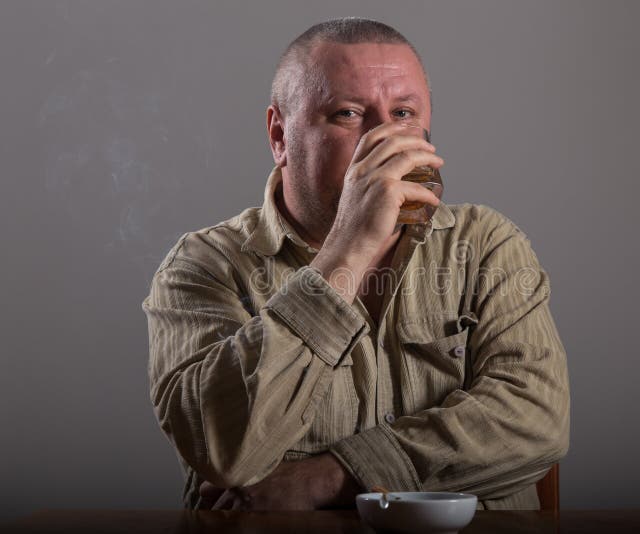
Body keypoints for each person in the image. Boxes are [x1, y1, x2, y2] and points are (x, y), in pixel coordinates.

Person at [142, 17, 570, 511]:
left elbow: (534, 420)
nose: (384, 141)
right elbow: (223, 451)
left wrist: (333, 475)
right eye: (347, 114)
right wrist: (349, 247)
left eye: (404, 113)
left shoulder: (486, 244)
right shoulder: (202, 265)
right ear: (280, 136)